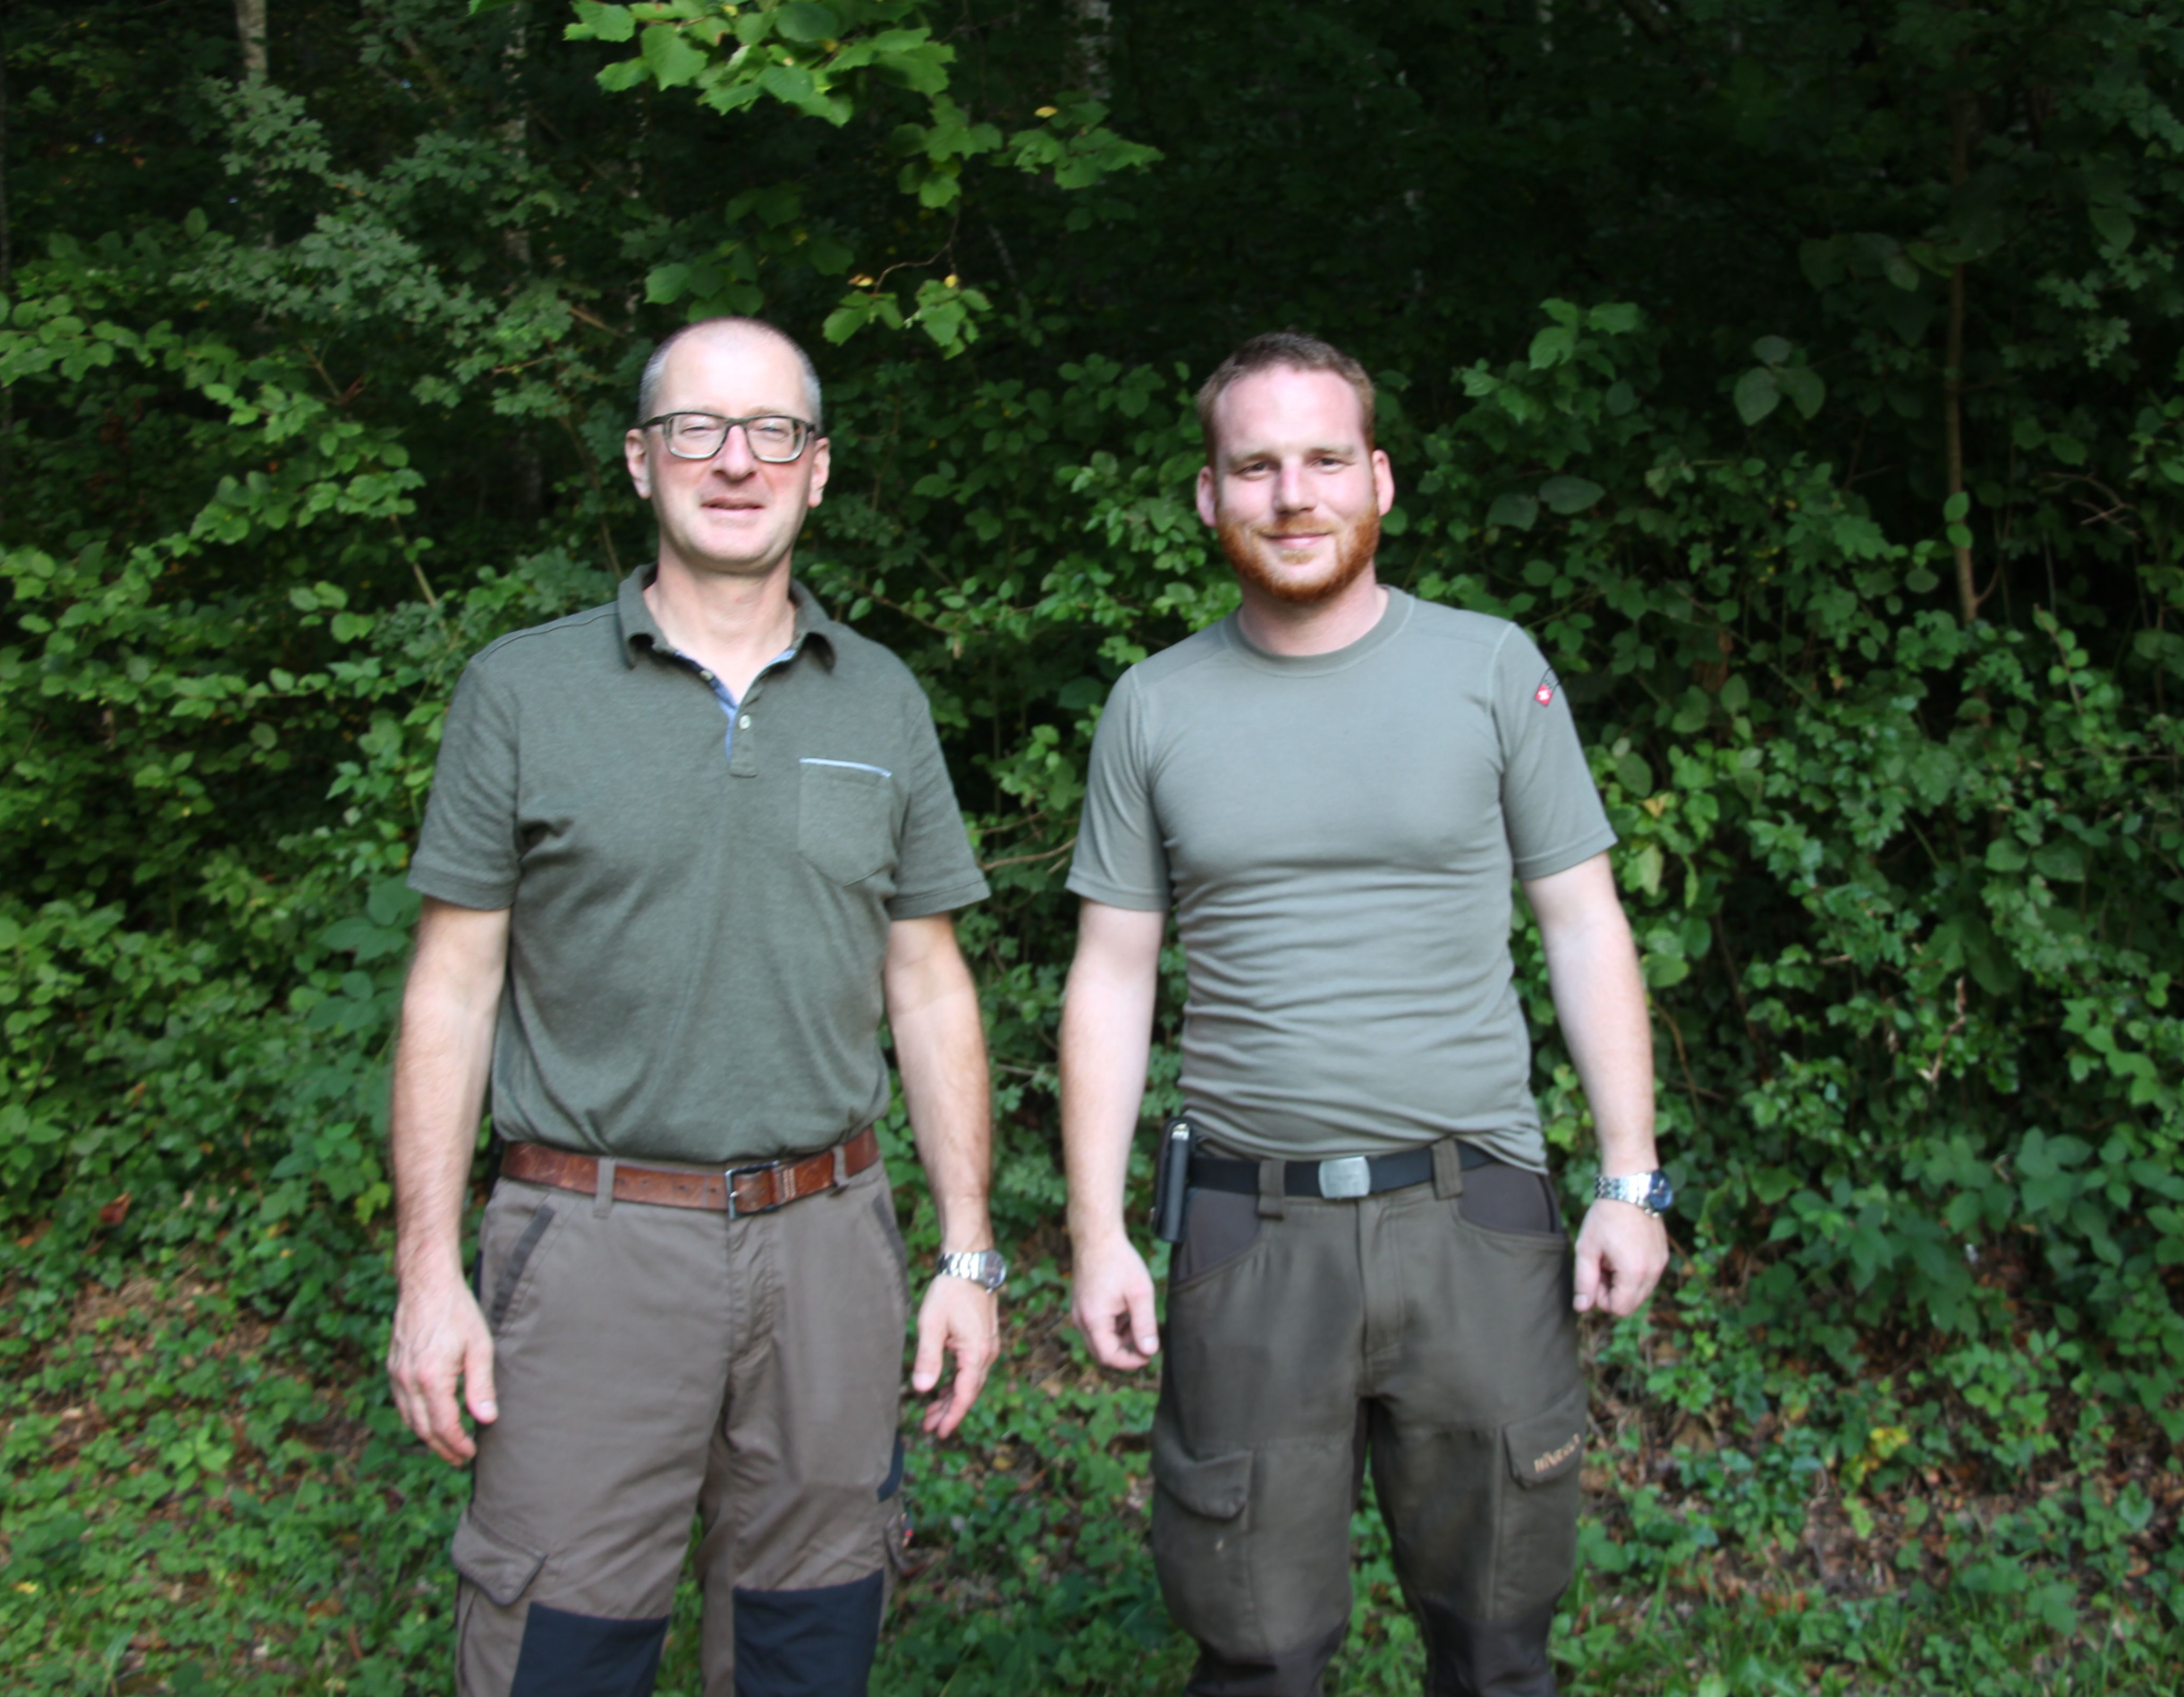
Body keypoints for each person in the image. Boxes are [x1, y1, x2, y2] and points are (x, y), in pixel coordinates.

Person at [385, 316, 1006, 1697]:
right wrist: (430, 1279)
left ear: (820, 468)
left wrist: (968, 1254)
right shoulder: (523, 691)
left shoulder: (885, 700)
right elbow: (452, 989)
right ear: (639, 460)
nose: (737, 461)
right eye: (697, 430)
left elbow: (928, 982)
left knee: (810, 1640)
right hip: (594, 1246)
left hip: (831, 1252)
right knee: (560, 1648)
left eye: (773, 430)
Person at [1058, 332, 1671, 1697]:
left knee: (1500, 1642)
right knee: (1258, 1651)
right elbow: (1112, 971)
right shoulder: (1152, 706)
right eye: (1257, 465)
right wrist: (1097, 1230)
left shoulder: (1490, 668)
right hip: (1247, 1232)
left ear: (1379, 480)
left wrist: (1631, 1178)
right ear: (1209, 498)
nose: (1295, 494)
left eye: (1326, 459)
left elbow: (1582, 922)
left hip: (1477, 1221)